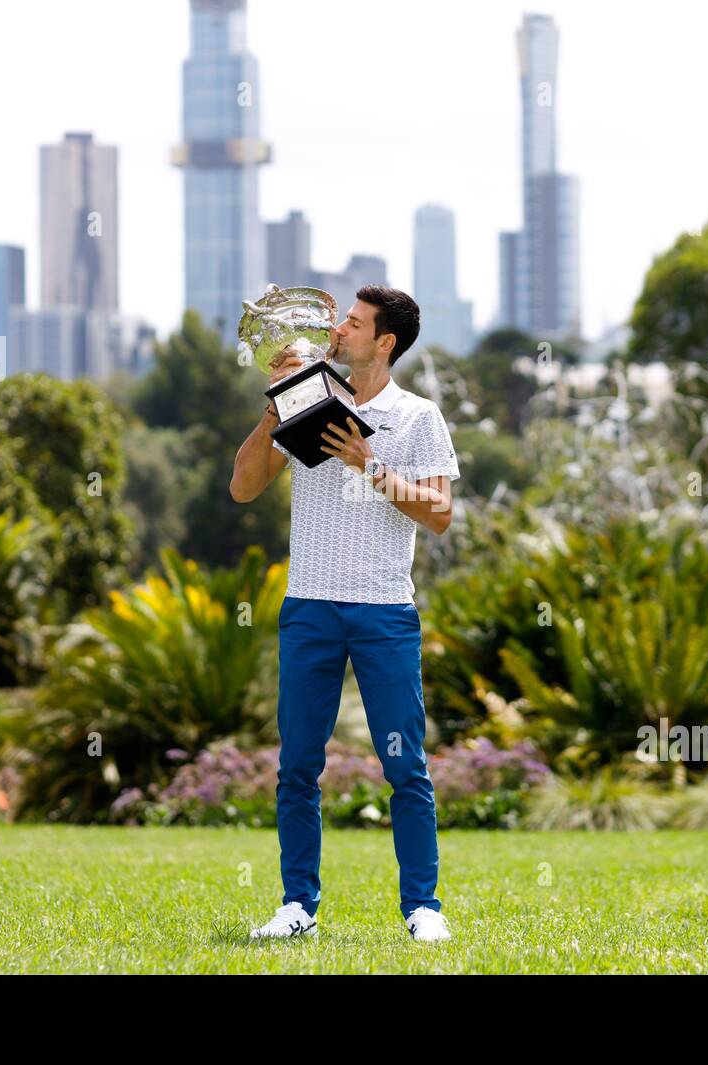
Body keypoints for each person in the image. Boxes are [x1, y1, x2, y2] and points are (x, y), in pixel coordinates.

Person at [230, 284, 460, 942]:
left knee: (404, 765)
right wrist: (276, 406)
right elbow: (243, 487)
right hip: (309, 607)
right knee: (298, 764)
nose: (338, 331)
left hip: (384, 613)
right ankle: (296, 904)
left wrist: (369, 463)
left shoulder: (417, 417)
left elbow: (439, 513)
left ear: (384, 343)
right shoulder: (307, 395)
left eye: (354, 325)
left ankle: (423, 908)